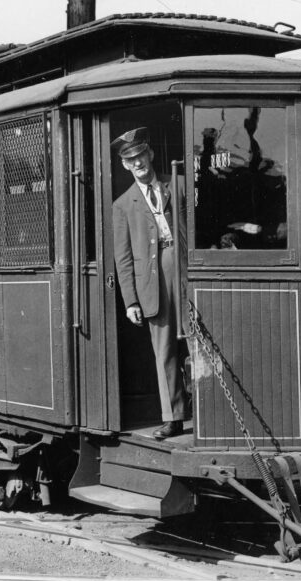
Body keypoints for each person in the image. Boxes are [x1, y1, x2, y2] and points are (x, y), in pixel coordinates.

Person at [111, 127, 187, 440]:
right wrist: (131, 301)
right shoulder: (122, 205)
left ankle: (212, 411)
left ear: (151, 154)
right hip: (153, 283)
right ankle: (174, 417)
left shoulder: (177, 184)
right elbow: (123, 257)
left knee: (199, 340)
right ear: (125, 166)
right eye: (131, 159)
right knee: (165, 350)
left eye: (141, 154)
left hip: (184, 269)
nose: (138, 162)